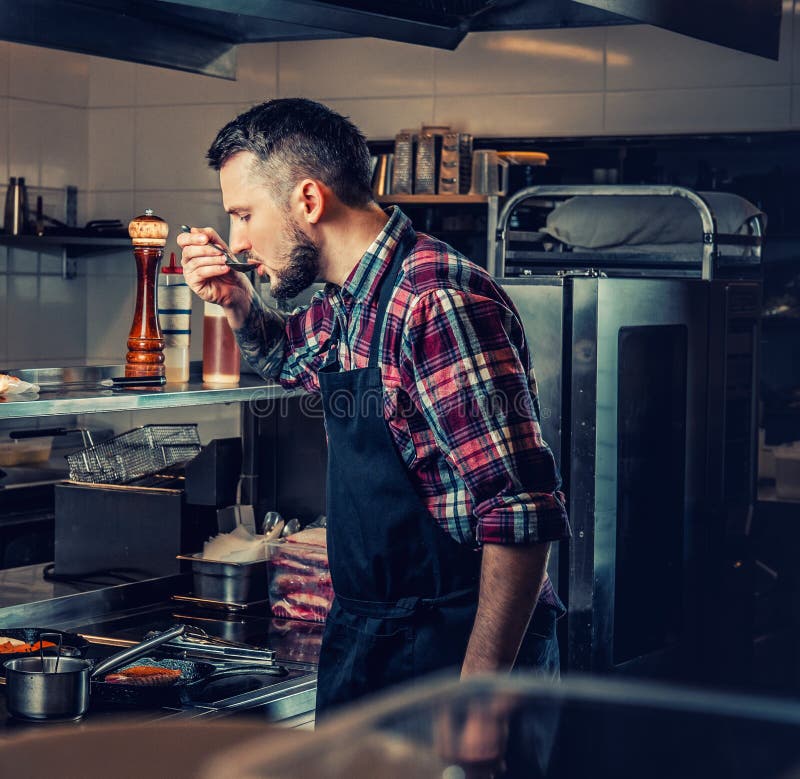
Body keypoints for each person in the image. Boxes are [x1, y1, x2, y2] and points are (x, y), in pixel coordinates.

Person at [178, 98, 571, 720]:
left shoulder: (434, 299)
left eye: (244, 215)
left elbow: (522, 513)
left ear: (308, 200)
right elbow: (289, 360)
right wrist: (236, 301)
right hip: (371, 636)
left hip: (454, 651)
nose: (239, 243)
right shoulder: (349, 299)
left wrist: (480, 701)